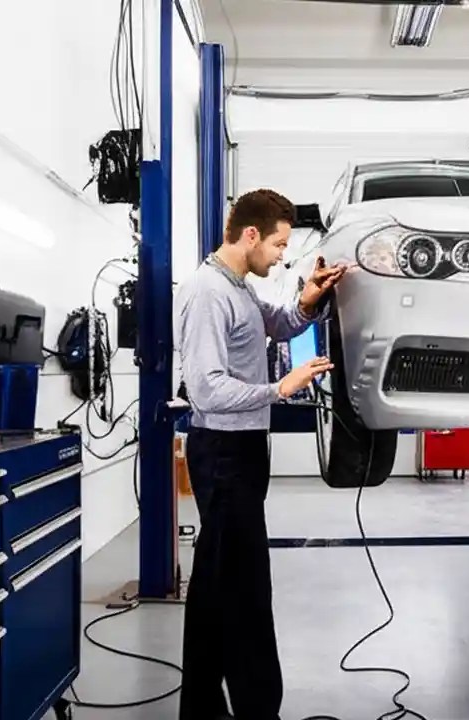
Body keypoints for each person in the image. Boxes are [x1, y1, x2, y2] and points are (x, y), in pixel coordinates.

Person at [177, 188, 348, 720]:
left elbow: (277, 322)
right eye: (277, 244)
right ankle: (255, 709)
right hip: (224, 452)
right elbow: (205, 389)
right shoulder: (208, 292)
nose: (280, 255)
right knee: (243, 589)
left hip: (243, 450)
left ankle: (204, 709)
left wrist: (308, 298)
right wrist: (280, 388)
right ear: (250, 235)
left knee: (217, 587)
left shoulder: (239, 287)